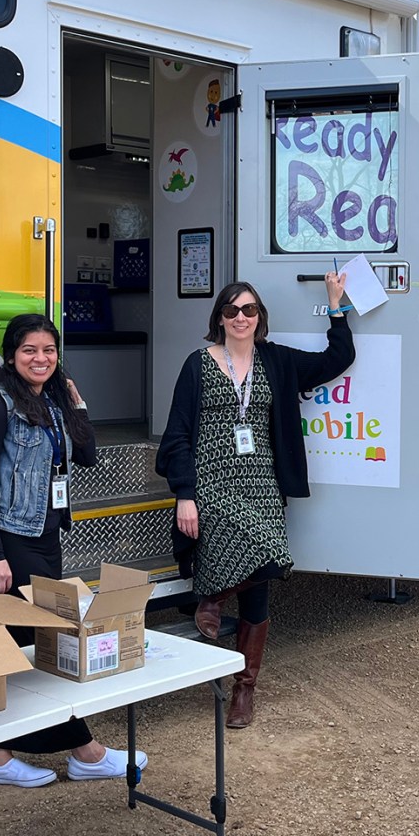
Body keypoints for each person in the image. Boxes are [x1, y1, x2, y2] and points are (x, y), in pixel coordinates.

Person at [155, 275, 353, 728]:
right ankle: (212, 598)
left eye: (249, 310)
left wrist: (335, 304)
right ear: (219, 319)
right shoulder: (197, 364)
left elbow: (337, 358)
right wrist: (185, 495)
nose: (241, 318)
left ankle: (243, 682)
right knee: (261, 551)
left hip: (262, 481)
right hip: (210, 481)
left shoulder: (276, 361)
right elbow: (177, 434)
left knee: (266, 562)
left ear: (260, 318)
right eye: (232, 310)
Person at [0, 314, 148, 787]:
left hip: (45, 537)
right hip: (7, 541)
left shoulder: (52, 404)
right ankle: (87, 752)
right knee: (44, 649)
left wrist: (78, 404)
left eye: (48, 350)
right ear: (10, 355)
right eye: (29, 350)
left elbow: (86, 456)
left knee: (28, 648)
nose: (40, 359)